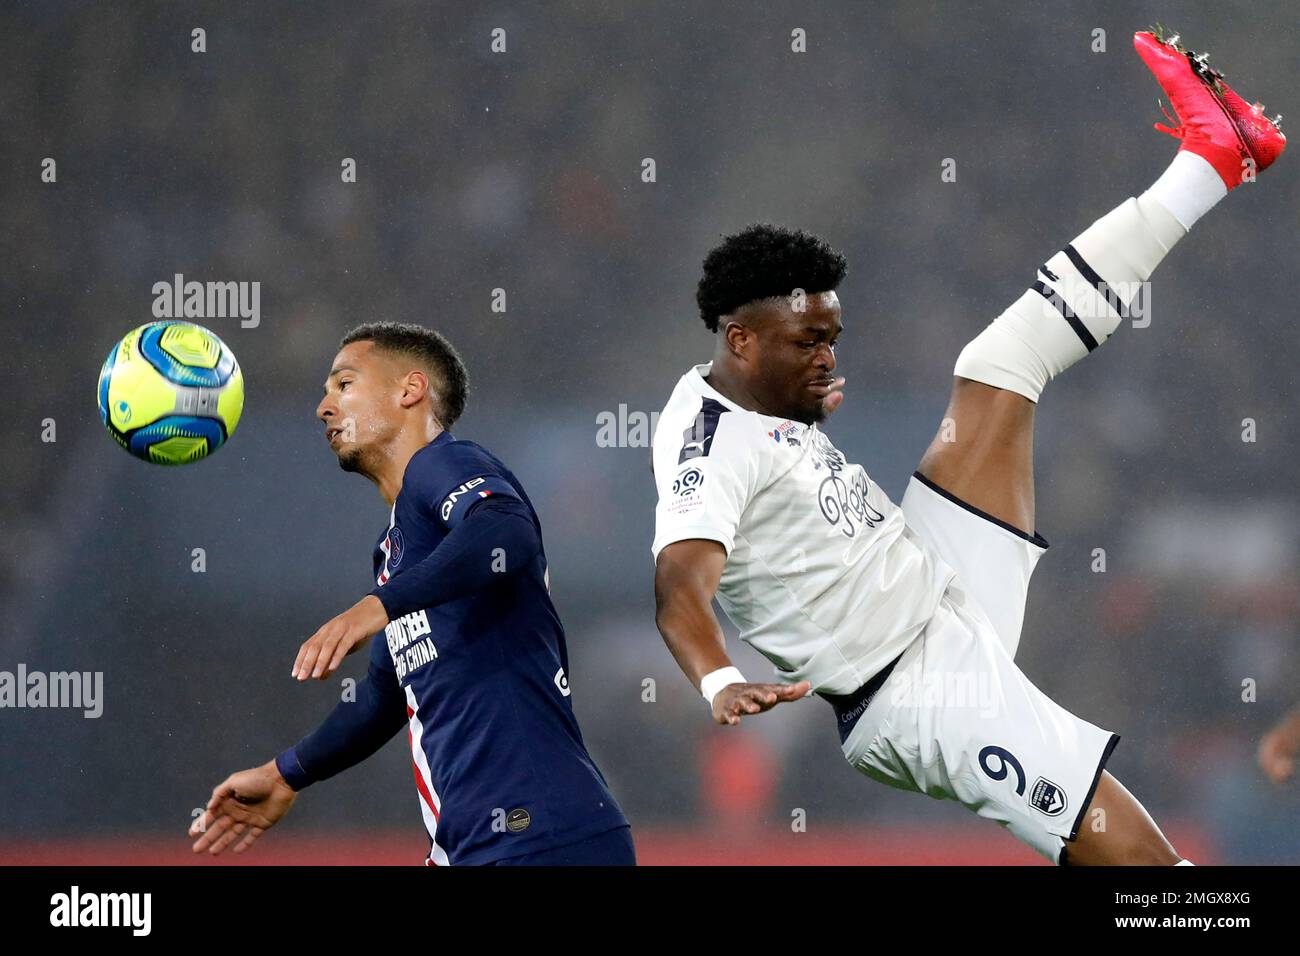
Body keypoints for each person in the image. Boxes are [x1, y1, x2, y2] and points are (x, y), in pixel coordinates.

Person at [650, 29, 1284, 865]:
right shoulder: (705, 445)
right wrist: (718, 678)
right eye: (807, 341)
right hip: (913, 690)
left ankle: (1214, 159)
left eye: (832, 337)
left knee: (995, 367)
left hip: (936, 577)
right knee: (1092, 814)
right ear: (739, 339)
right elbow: (679, 586)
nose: (827, 356)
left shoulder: (755, 393)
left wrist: (797, 401)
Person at [190, 322, 633, 865]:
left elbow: (505, 527)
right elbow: (384, 696)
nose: (323, 407)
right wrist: (286, 774)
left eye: (344, 384)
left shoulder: (445, 463)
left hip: (535, 835)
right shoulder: (399, 547)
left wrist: (377, 606)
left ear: (410, 390)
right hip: (484, 844)